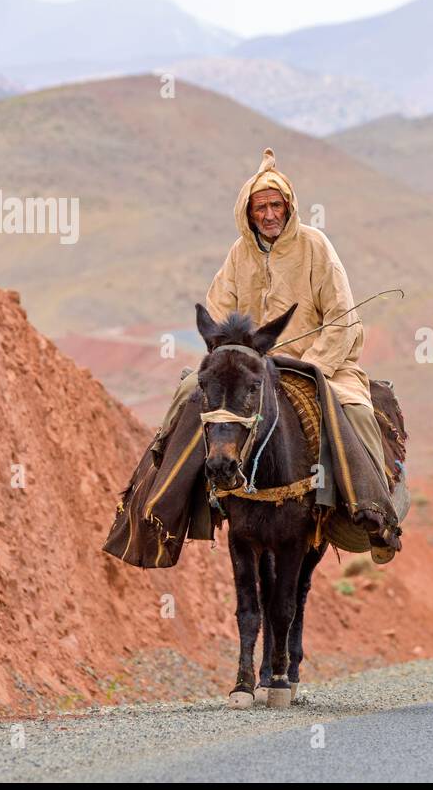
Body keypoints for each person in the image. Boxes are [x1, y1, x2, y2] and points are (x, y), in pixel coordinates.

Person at [164, 147, 398, 562]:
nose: (269, 214)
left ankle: (377, 514)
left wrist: (314, 368)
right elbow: (218, 311)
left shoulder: (315, 246)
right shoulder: (239, 254)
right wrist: (232, 358)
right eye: (260, 208)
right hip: (253, 368)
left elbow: (342, 319)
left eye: (276, 205)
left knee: (356, 411)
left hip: (319, 363)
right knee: (188, 393)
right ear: (248, 214)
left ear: (289, 207)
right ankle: (161, 507)